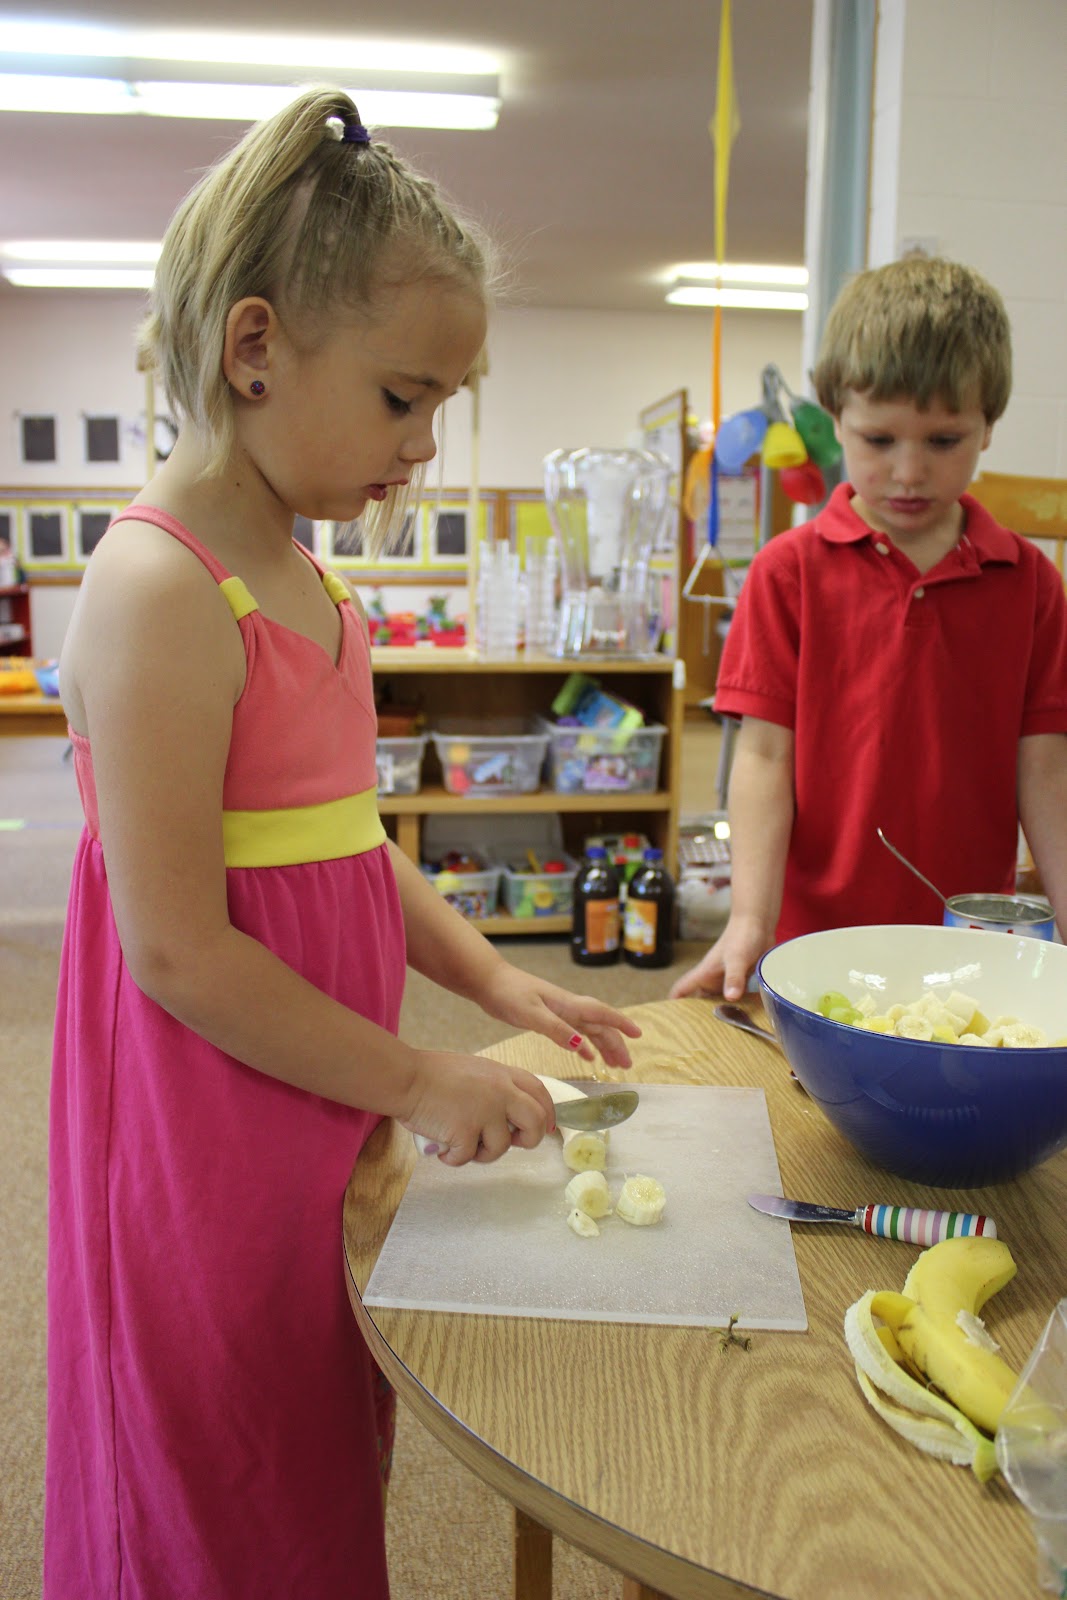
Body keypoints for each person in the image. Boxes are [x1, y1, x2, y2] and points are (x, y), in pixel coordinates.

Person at [45, 88, 641, 1600]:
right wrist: (420, 1074)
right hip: (209, 1126)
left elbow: (344, 846)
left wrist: (495, 986)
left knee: (318, 1426)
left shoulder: (310, 580)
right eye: (400, 398)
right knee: (220, 1455)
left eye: (444, 405)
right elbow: (177, 952)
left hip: (320, 1091)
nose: (426, 445)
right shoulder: (161, 583)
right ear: (255, 350)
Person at [672, 254, 1067, 1003]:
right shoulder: (785, 573)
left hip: (969, 945)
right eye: (878, 441)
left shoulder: (1030, 585)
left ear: (987, 426)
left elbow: (1045, 769)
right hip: (811, 941)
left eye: (942, 441)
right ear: (834, 423)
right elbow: (760, 758)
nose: (909, 472)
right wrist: (747, 919)